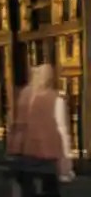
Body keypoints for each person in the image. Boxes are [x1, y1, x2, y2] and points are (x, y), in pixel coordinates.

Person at [6, 63, 74, 196]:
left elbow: (15, 124)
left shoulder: (24, 96)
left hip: (26, 152)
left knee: (27, 187)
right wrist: (67, 156)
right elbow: (62, 129)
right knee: (50, 187)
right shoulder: (56, 99)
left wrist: (12, 147)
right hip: (47, 153)